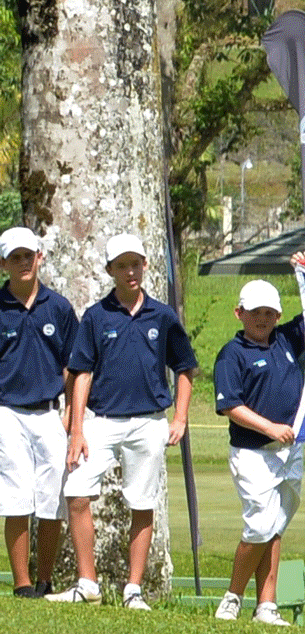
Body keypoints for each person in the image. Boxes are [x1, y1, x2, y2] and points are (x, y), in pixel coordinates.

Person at [46, 234, 198, 607]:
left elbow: (184, 367)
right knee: (76, 493)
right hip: (102, 421)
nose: (130, 272)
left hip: (149, 422)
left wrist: (180, 417)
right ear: (110, 270)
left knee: (142, 504)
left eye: (135, 264)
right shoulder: (96, 316)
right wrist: (77, 430)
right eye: (121, 266)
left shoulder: (162, 315)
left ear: (144, 266)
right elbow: (82, 373)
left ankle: (134, 589)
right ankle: (88, 584)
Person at [211, 275, 305, 626]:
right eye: (255, 312)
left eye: (269, 313)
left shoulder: (285, 340)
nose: (262, 319)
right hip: (253, 452)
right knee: (259, 527)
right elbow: (230, 405)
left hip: (289, 451)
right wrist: (270, 428)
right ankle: (232, 597)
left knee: (275, 525)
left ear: (278, 315)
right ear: (239, 313)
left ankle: (266, 605)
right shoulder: (232, 354)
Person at [1, 227, 77, 599]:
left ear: (39, 257)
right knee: (16, 497)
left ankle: (45, 580)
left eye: (28, 256)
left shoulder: (58, 307)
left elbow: (72, 365)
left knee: (52, 499)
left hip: (50, 413)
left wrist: (71, 414)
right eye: (15, 257)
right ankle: (22, 583)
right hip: (7, 411)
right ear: (3, 264)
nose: (23, 263)